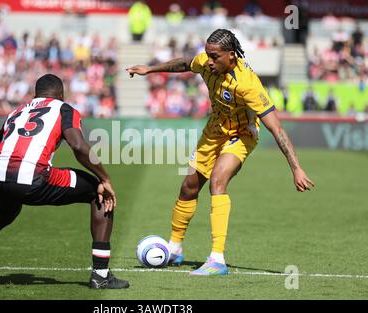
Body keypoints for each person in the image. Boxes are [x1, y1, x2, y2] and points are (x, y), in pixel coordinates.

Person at [126, 29, 315, 275]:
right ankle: (174, 248)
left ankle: (217, 259)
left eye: (214, 57)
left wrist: (296, 168)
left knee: (218, 181)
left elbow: (276, 127)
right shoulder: (206, 62)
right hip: (214, 129)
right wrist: (150, 69)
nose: (209, 61)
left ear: (231, 56)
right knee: (188, 187)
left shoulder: (247, 84)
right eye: (208, 55)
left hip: (241, 134)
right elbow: (185, 63)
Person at [0, 74, 129, 289]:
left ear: (36, 94)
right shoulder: (64, 109)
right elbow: (79, 147)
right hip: (33, 178)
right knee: (97, 190)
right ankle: (100, 275)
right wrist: (105, 178)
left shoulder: (16, 112)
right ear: (61, 95)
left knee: (5, 214)